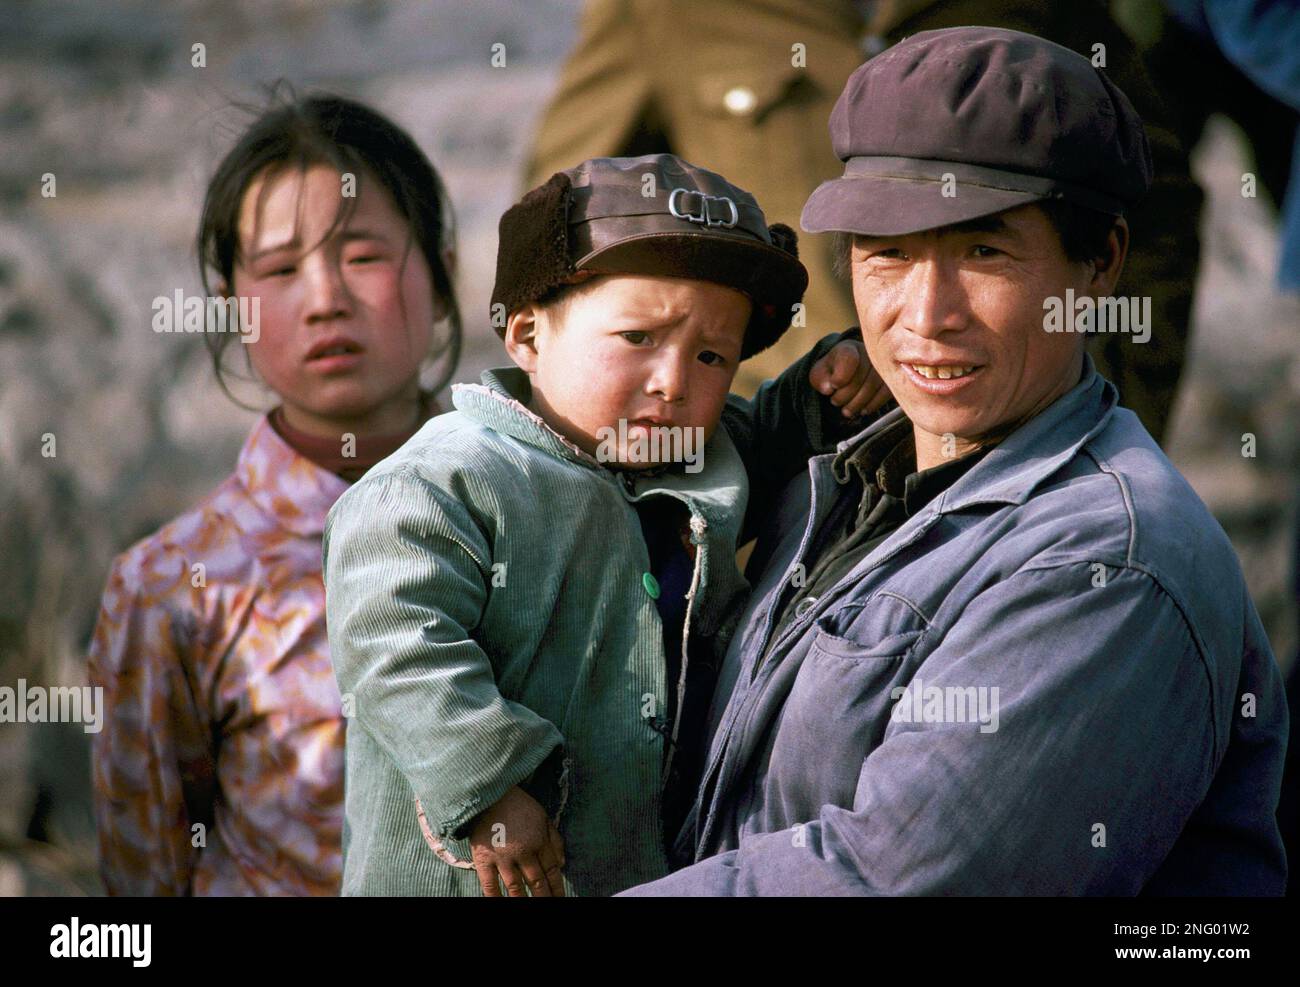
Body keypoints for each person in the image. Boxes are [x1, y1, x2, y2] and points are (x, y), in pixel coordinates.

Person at [620, 27, 1289, 896]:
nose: (926, 315)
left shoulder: (1107, 564)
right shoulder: (849, 473)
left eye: (983, 251)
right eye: (887, 253)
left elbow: (896, 878)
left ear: (1099, 263)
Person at [322, 153, 887, 896]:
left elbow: (768, 436)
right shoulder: (442, 483)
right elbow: (392, 646)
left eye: (712, 354)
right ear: (527, 335)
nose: (674, 380)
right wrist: (489, 785)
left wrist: (828, 381)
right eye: (638, 338)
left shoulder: (690, 456)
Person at [525, 0, 1202, 448]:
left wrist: (1117, 410)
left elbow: (1154, 206)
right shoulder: (672, 11)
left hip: (1015, 436)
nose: (926, 310)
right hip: (779, 460)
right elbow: (567, 224)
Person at [88, 94, 462, 895]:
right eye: (282, 269)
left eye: (362, 254)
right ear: (233, 303)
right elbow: (142, 890)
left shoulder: (542, 509)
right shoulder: (172, 590)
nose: (325, 298)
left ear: (440, 269)